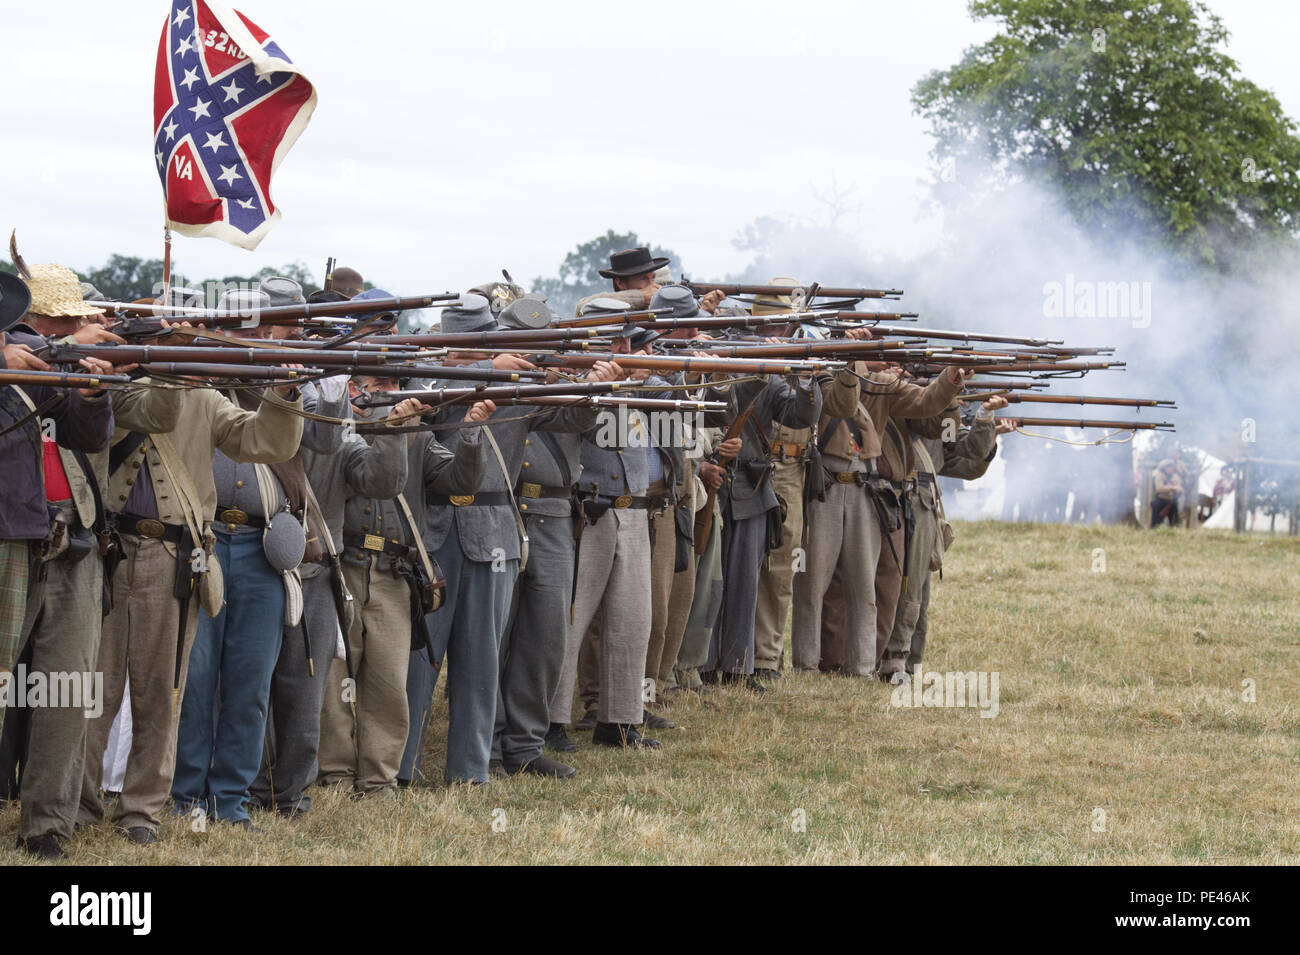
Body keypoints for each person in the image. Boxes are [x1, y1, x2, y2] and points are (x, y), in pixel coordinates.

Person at [80, 326, 305, 844]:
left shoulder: (205, 397)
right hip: (111, 548)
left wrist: (284, 393)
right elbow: (154, 411)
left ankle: (142, 809)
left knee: (163, 690)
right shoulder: (117, 383)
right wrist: (176, 368)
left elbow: (261, 441)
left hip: (174, 554)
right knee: (97, 688)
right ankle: (82, 801)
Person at [318, 368, 491, 795]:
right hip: (341, 566)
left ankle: (378, 778)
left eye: (394, 384)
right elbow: (369, 479)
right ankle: (335, 774)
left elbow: (459, 484)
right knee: (334, 680)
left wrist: (470, 436)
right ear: (355, 388)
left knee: (388, 684)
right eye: (379, 385)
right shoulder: (334, 430)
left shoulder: (418, 436)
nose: (391, 393)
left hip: (393, 572)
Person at [0, 262, 121, 858]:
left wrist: (93, 390)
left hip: (69, 539)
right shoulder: (15, 356)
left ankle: (46, 823)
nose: (77, 327)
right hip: (11, 536)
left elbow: (88, 437)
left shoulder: (47, 365)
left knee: (67, 692)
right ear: (27, 320)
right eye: (64, 320)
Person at [791, 354, 968, 677]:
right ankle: (807, 664)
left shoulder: (884, 385)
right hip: (825, 488)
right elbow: (843, 403)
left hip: (865, 487)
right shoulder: (827, 375)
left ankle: (861, 665)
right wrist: (852, 364)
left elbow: (927, 403)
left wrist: (949, 378)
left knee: (864, 585)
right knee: (813, 581)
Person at [1151, 458, 1182, 527]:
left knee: (1174, 521)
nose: (1171, 469)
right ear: (1164, 468)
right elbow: (1159, 488)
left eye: (1172, 467)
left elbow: (1179, 488)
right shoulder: (1159, 475)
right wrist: (1173, 488)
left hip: (1172, 501)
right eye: (1168, 467)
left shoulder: (1175, 477)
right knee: (1156, 522)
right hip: (1160, 500)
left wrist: (1179, 490)